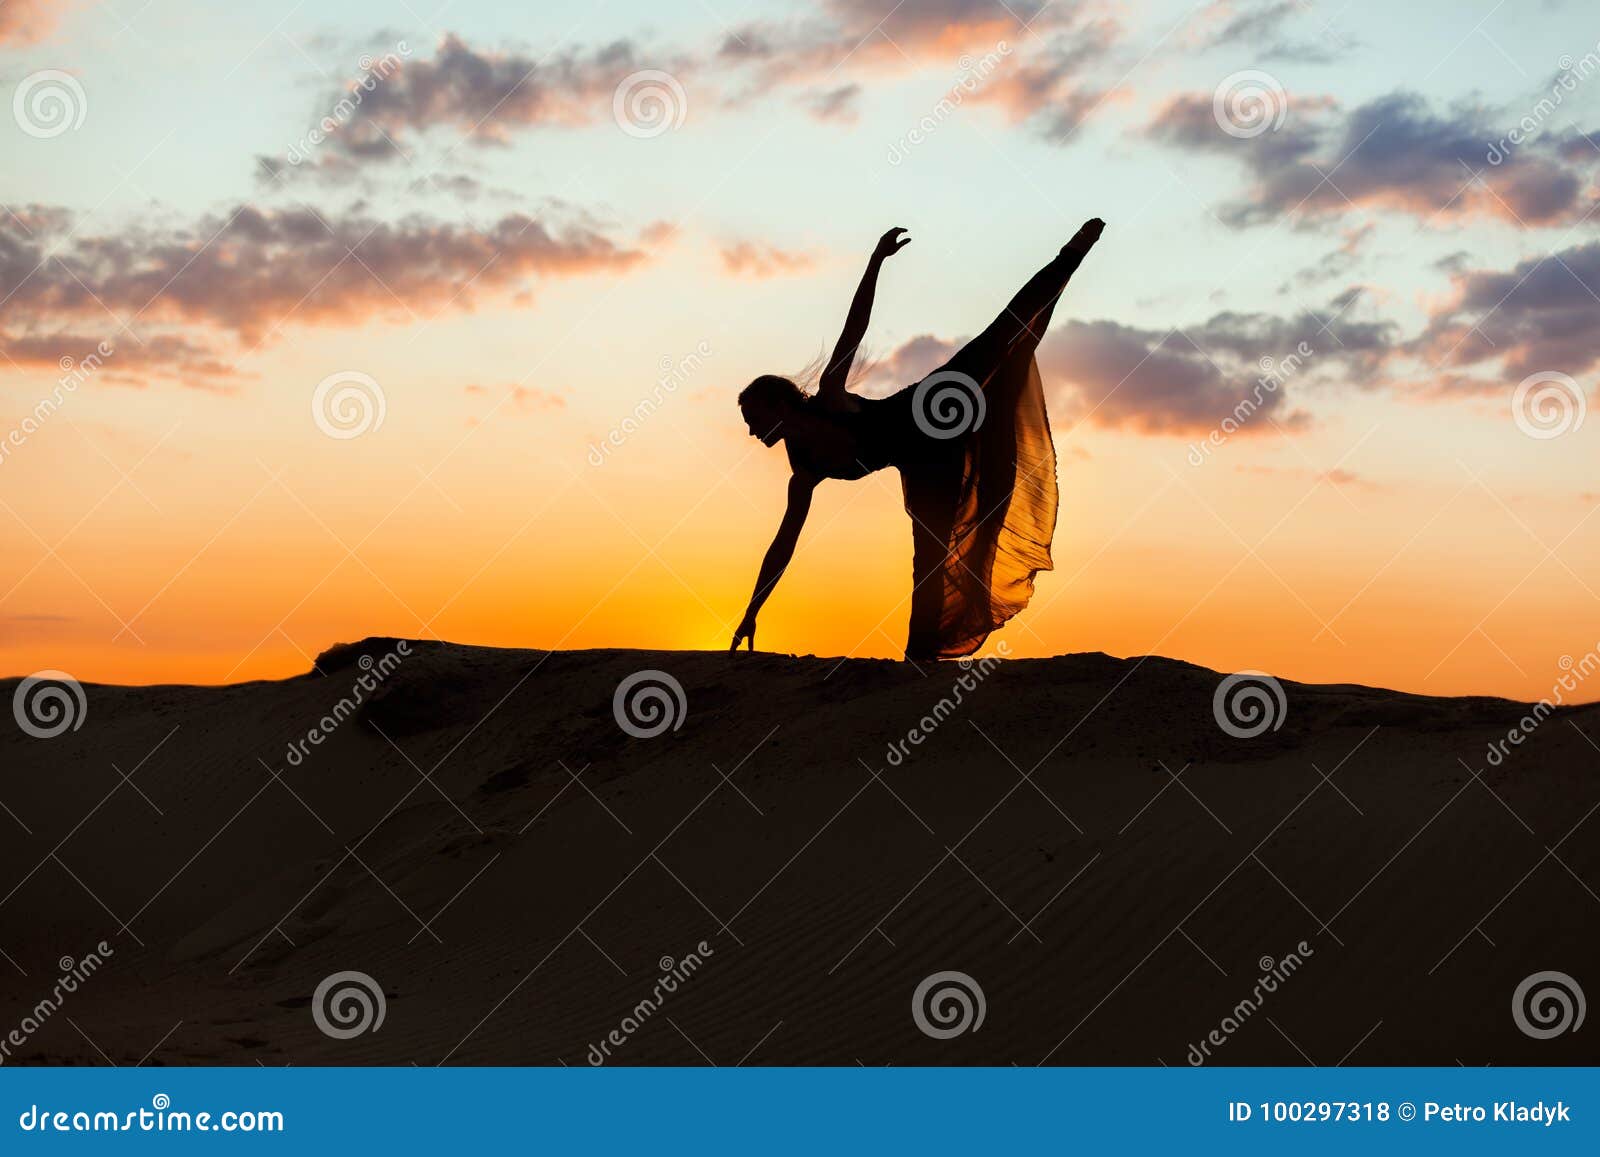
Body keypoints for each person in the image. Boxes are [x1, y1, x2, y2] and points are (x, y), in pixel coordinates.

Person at [732, 220, 1104, 660]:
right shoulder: (804, 470)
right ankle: (919, 663)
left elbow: (854, 328)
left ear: (779, 406)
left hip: (926, 408)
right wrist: (752, 611)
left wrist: (874, 263)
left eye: (754, 419)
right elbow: (783, 545)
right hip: (929, 467)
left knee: (1001, 336)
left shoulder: (830, 397)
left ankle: (1071, 254)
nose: (752, 431)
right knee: (928, 562)